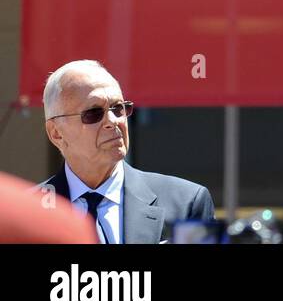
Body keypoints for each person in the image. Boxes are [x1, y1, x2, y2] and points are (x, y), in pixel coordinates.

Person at [37, 60, 214, 244]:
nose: (113, 121)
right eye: (93, 113)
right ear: (56, 133)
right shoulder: (21, 215)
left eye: (118, 108)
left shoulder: (187, 202)